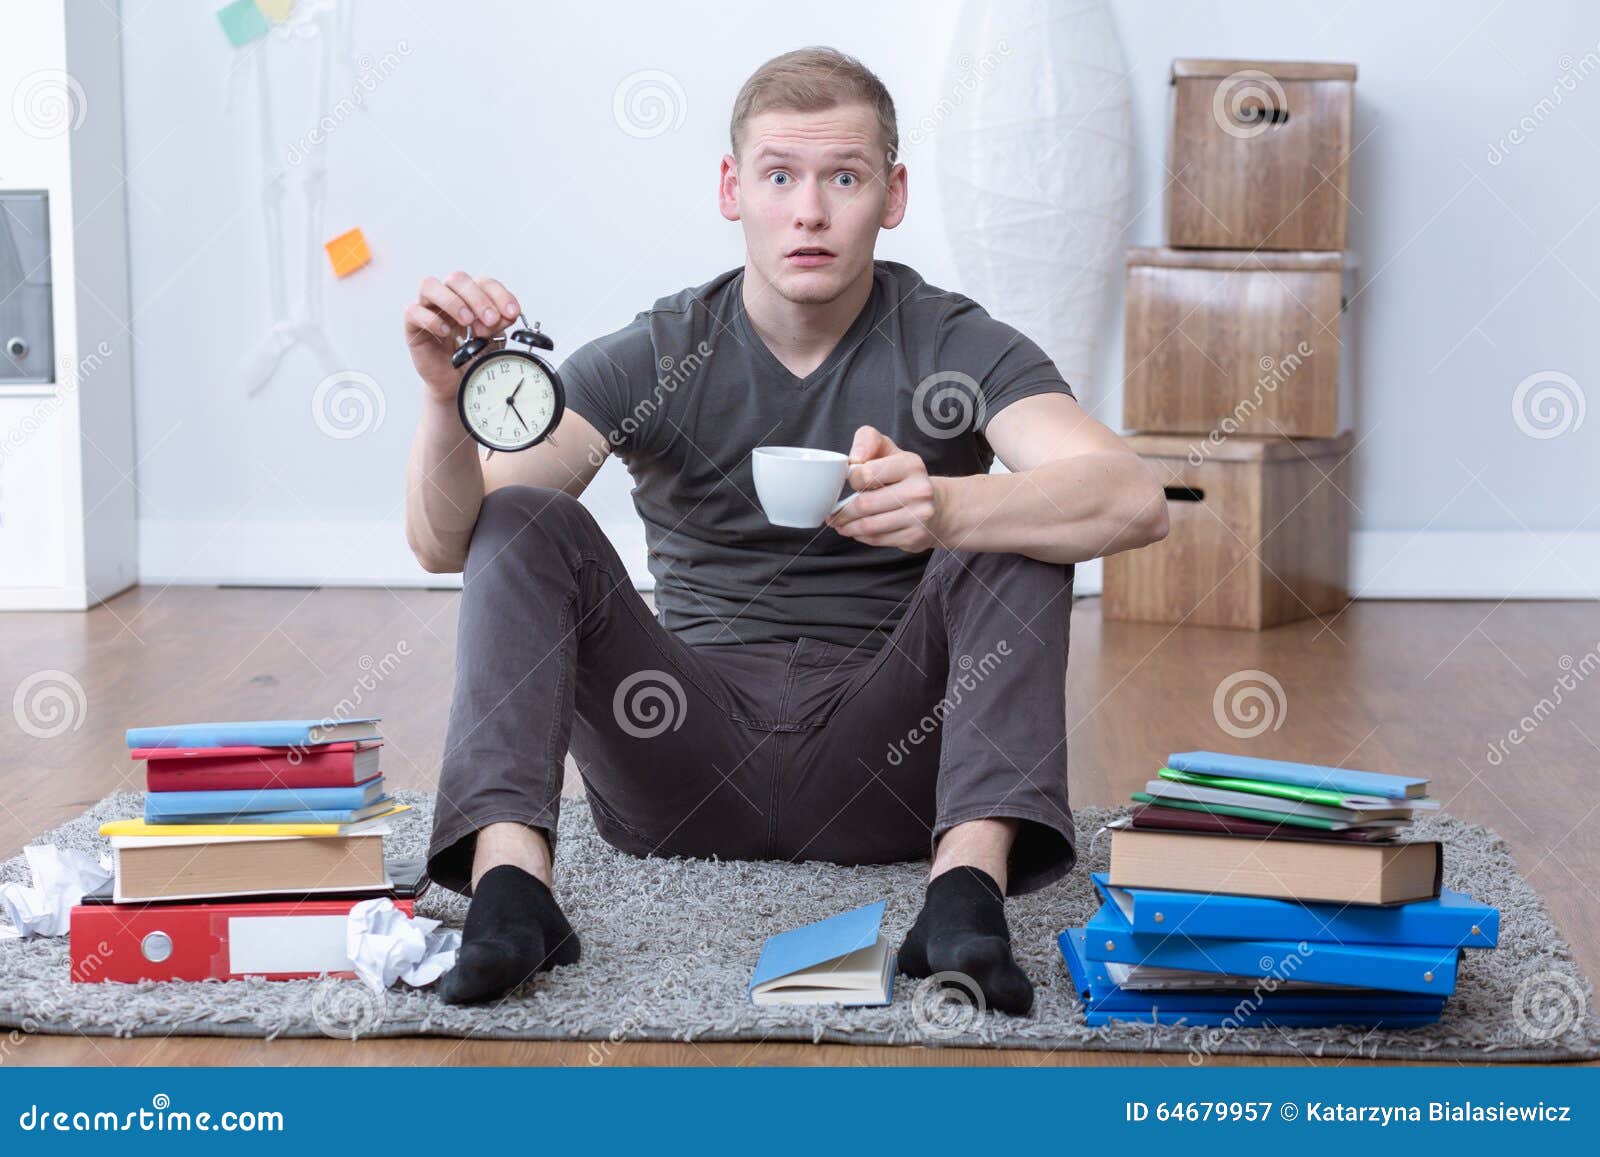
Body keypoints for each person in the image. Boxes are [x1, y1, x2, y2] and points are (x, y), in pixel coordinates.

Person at [401, 47, 1168, 1012]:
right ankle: (513, 889)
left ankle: (965, 894)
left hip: (890, 763)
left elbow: (1131, 498)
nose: (809, 210)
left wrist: (950, 507)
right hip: (682, 750)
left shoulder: (951, 340)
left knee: (1024, 526)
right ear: (734, 189)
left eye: (843, 178)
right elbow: (454, 539)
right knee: (522, 514)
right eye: (779, 176)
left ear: (891, 196)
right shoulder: (662, 348)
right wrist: (442, 402)